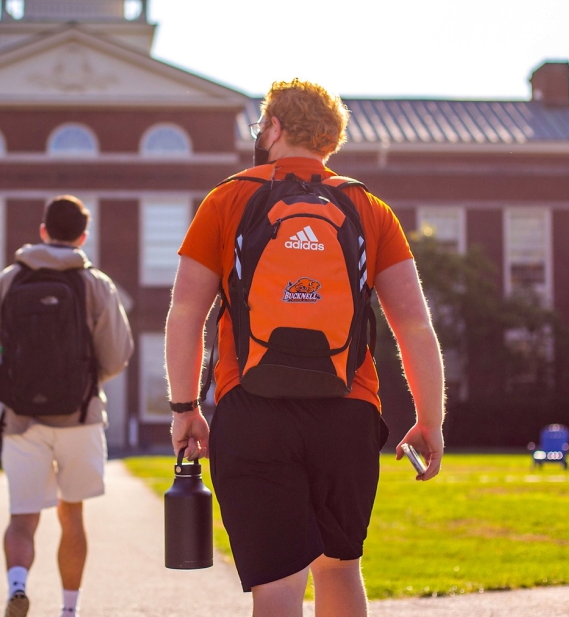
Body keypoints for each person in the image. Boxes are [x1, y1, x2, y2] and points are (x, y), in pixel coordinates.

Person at [165, 80, 446, 617]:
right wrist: (429, 419)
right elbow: (414, 326)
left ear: (272, 129)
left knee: (278, 581)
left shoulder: (227, 199)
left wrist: (186, 409)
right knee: (339, 568)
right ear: (330, 141)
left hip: (252, 408)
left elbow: (185, 313)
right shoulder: (368, 207)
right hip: (348, 407)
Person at [0, 195, 134, 617]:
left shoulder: (9, 279)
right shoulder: (96, 283)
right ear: (83, 235)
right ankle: (69, 610)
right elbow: (118, 355)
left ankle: (17, 585)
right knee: (72, 516)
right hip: (79, 418)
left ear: (43, 231)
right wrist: (82, 380)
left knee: (22, 518)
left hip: (21, 421)